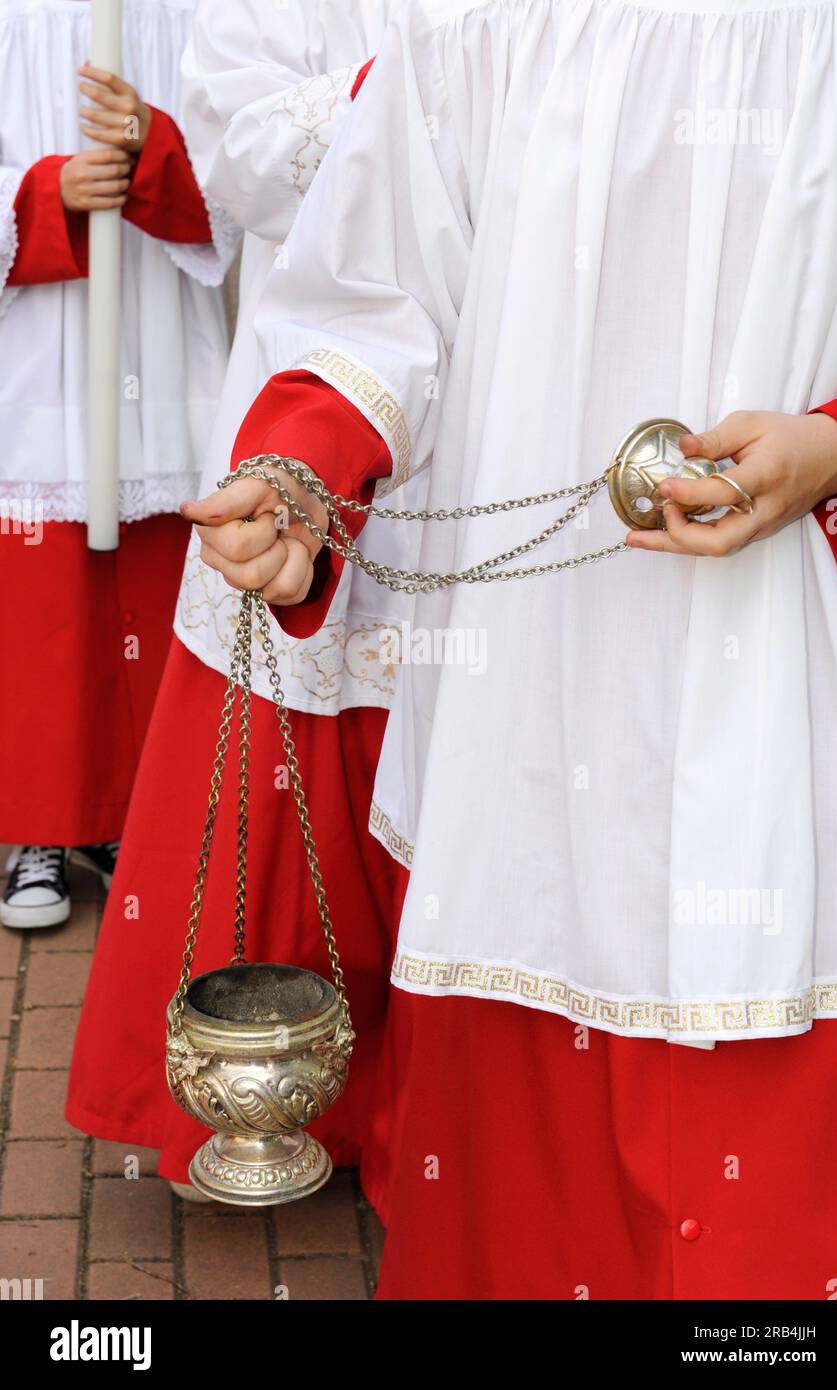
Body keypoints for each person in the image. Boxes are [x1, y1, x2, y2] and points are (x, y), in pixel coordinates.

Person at [185, 0, 837, 1297]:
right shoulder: (483, 20)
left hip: (791, 681)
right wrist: (303, 473)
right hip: (528, 712)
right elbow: (373, 295)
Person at [66, 0, 411, 1205]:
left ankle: (441, 1105)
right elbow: (240, 159)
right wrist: (422, 96)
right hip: (308, 383)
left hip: (484, 410)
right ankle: (304, 1089)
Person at [0, 0, 238, 929]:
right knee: (43, 609)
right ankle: (38, 829)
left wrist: (154, 152)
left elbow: (236, 177)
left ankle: (136, 817)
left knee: (149, 588)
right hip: (32, 365)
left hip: (159, 355)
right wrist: (43, 197)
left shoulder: (187, 14)